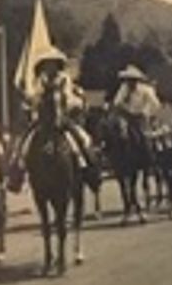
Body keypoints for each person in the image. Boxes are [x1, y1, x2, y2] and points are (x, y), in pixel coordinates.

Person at [13, 47, 98, 186]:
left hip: (63, 119)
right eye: (47, 63)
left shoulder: (64, 79)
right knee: (24, 142)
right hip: (42, 120)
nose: (50, 66)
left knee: (82, 139)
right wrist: (29, 99)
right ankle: (18, 174)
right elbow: (35, 96)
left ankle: (89, 170)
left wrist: (70, 104)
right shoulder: (40, 79)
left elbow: (69, 97)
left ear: (57, 64)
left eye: (52, 63)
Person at [112, 64, 161, 150]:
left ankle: (148, 152)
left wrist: (145, 112)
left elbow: (155, 104)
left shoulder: (146, 90)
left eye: (132, 80)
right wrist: (124, 108)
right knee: (120, 132)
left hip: (141, 117)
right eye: (128, 80)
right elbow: (117, 102)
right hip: (127, 116)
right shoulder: (124, 89)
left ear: (137, 80)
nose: (130, 82)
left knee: (144, 136)